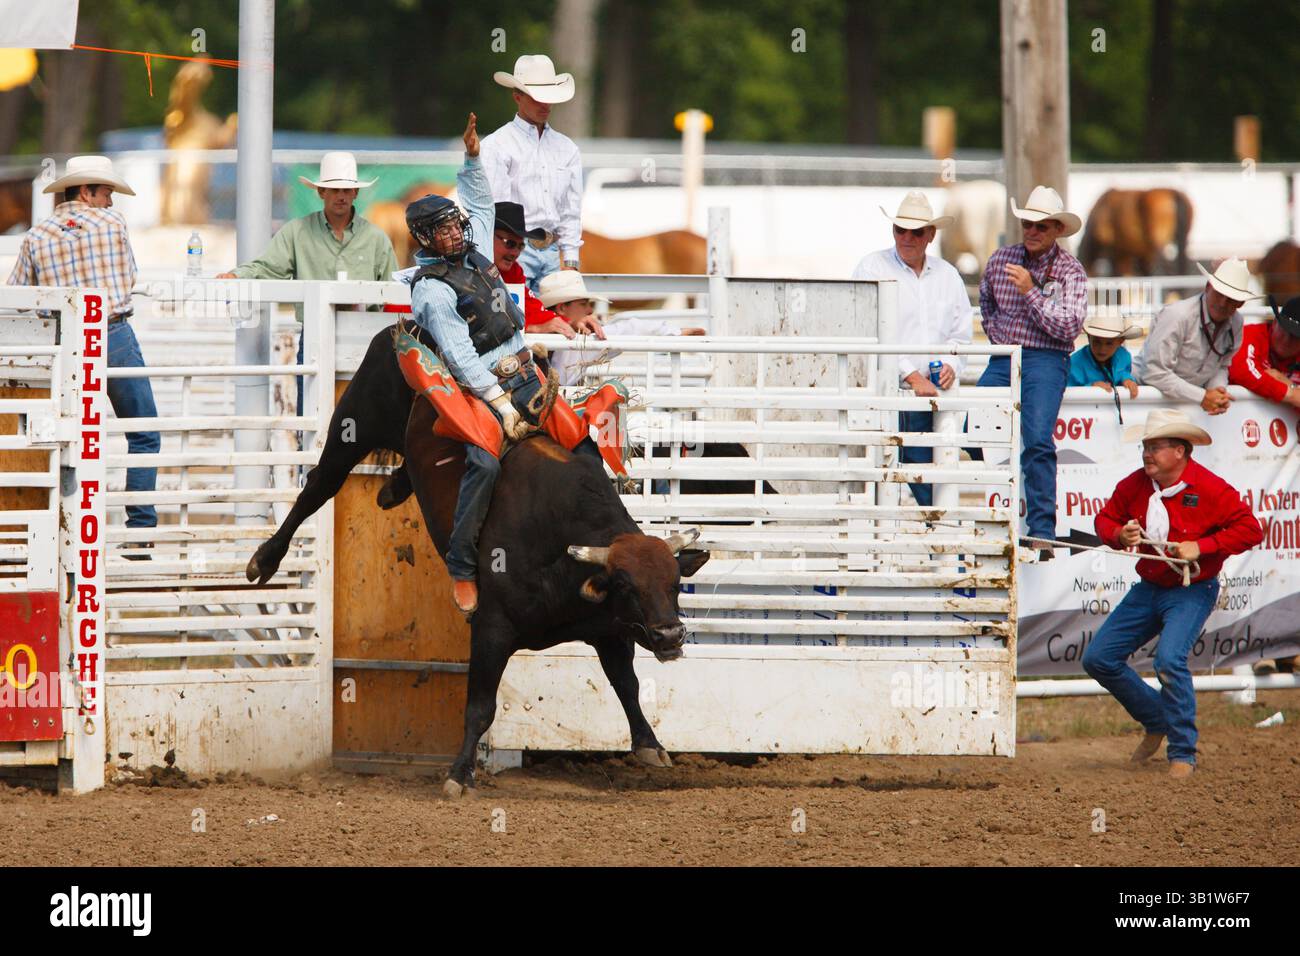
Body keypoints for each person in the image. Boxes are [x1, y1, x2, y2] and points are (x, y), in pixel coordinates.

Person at [1083, 409, 1263, 778]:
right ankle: (1159, 718)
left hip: (1191, 589)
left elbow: (1250, 529)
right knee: (1099, 658)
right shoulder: (1134, 485)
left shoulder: (1210, 488)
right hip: (1151, 586)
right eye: (1145, 447)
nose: (1147, 454)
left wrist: (1204, 545)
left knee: (1169, 659)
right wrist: (1119, 535)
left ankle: (1183, 752)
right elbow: (1105, 519)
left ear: (1180, 451)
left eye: (1155, 447)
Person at [7, 156, 160, 533]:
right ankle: (140, 531)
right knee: (143, 433)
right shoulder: (112, 224)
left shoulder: (36, 235)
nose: (110, 201)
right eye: (106, 192)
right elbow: (129, 278)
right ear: (87, 192)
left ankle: (62, 528)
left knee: (64, 435)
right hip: (113, 334)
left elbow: (18, 295)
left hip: (62, 344)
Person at [217, 151, 399, 415]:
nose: (341, 195)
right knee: (312, 410)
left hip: (365, 336)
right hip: (316, 335)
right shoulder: (297, 232)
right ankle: (310, 455)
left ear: (355, 194)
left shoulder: (376, 238)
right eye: (335, 189)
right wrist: (237, 275)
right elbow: (268, 267)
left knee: (363, 414)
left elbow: (392, 295)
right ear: (321, 192)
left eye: (347, 190)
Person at [977, 185, 1088, 551]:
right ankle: (988, 513)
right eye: (1028, 224)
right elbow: (986, 305)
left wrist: (1030, 293)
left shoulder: (1071, 271)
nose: (1032, 231)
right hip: (1006, 355)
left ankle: (1041, 529)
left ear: (1057, 229)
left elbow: (1069, 328)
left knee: (1038, 439)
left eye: (1041, 226)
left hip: (1047, 357)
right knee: (969, 427)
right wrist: (998, 336)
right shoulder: (999, 260)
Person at [851, 191, 971, 507]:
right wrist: (912, 376)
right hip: (884, 393)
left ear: (930, 235)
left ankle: (943, 549)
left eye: (916, 231)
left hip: (930, 395)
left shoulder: (948, 275)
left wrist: (951, 366)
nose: (907, 237)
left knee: (927, 476)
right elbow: (869, 332)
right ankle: (945, 549)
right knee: (899, 478)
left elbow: (961, 337)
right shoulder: (872, 268)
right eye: (900, 229)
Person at [480, 54, 583, 292]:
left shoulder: (567, 149)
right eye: (538, 98)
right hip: (517, 250)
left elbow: (571, 210)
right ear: (518, 97)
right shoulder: (498, 145)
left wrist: (571, 261)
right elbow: (496, 209)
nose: (545, 105)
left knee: (557, 325)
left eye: (549, 98)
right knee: (519, 322)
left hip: (552, 253)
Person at [1133, 258, 1261, 416]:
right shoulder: (1178, 315)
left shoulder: (1236, 322)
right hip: (1143, 401)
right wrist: (1203, 397)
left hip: (1179, 402)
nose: (1222, 303)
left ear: (1240, 304)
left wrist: (1217, 391)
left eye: (1230, 299)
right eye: (1220, 294)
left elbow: (1222, 365)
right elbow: (1153, 373)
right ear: (1208, 287)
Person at [492, 200, 601, 340]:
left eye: (520, 246)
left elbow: (533, 309)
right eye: (510, 243)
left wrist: (571, 323)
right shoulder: (466, 268)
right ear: (488, 235)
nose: (515, 253)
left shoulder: (513, 271)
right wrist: (533, 328)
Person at [1227, 294, 1300, 408]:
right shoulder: (1251, 334)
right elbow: (1241, 371)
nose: (1286, 340)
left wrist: (1287, 383)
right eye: (1283, 329)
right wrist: (1292, 394)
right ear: (1275, 323)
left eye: (1295, 336)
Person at [1068, 312, 1140, 398]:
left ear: (1120, 342)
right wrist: (1090, 387)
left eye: (1109, 343)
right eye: (1097, 342)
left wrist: (1128, 379)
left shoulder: (1124, 356)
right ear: (1089, 338)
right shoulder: (1074, 363)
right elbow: (1066, 393)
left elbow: (1123, 373)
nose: (1102, 349)